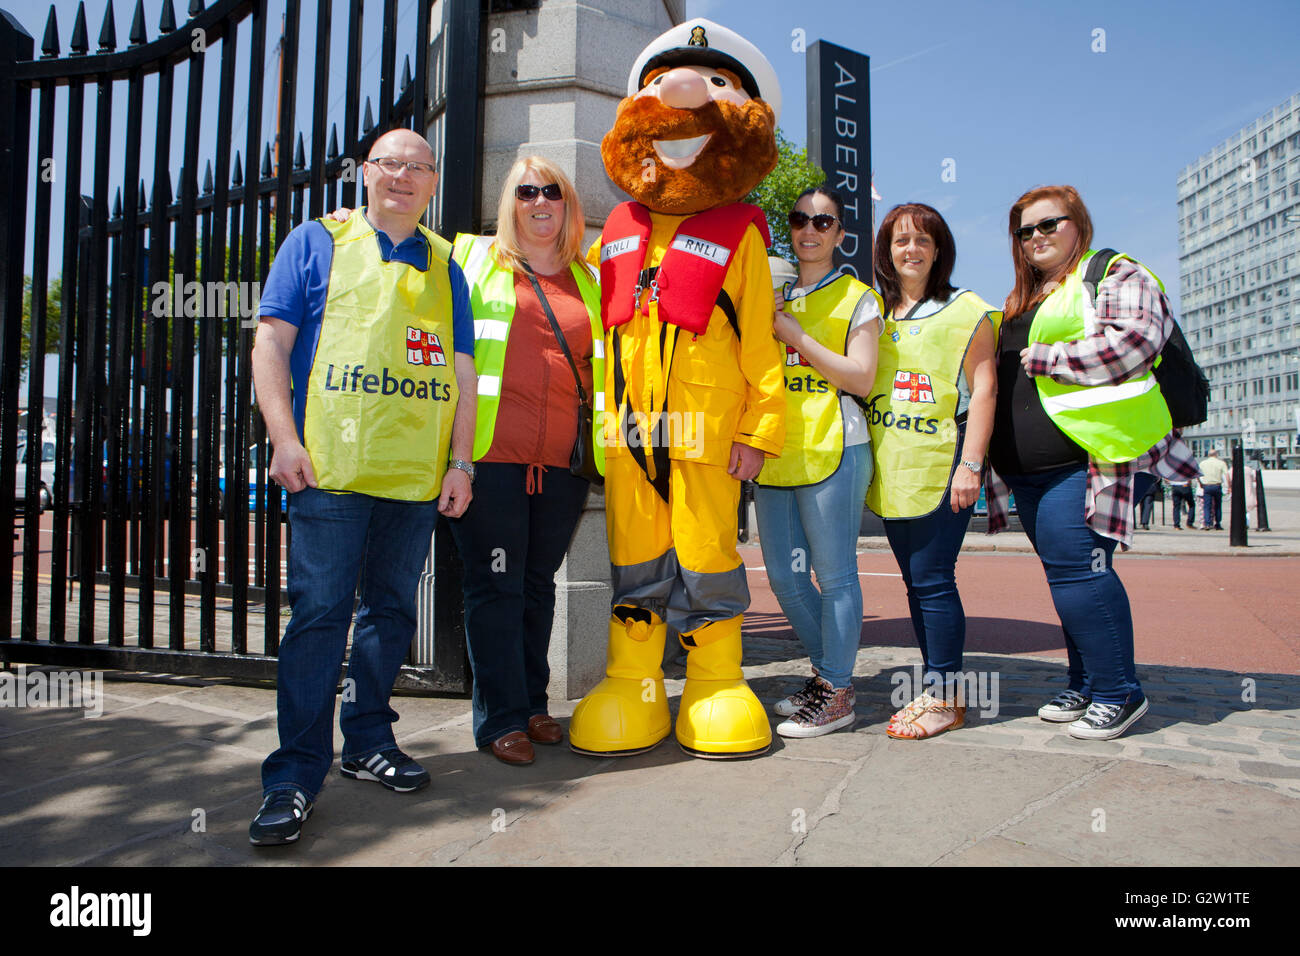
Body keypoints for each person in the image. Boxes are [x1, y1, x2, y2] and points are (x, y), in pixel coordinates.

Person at [248, 128, 477, 845]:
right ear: (366, 174)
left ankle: (370, 742)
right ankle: (292, 777)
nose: (402, 177)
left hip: (411, 479)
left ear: (432, 182)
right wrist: (283, 437)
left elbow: (464, 375)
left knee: (388, 613)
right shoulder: (315, 243)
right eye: (389, 165)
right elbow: (271, 343)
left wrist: (461, 462)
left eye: (417, 167)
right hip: (330, 473)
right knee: (319, 617)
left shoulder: (448, 267)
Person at [566, 19, 787, 759]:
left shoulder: (741, 234)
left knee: (706, 555)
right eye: (662, 85)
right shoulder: (617, 230)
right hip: (631, 436)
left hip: (708, 435)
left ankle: (714, 677)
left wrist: (759, 431)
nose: (684, 96)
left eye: (715, 84)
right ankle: (632, 677)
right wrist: (602, 423)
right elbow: (601, 339)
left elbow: (760, 340)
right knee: (635, 557)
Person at [986, 184, 1199, 741]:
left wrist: (1047, 358)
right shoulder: (1025, 298)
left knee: (1082, 573)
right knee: (1066, 577)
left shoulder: (1115, 273)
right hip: (1030, 473)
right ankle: (1086, 680)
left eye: (1048, 224)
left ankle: (1119, 691)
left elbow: (1136, 341)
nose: (1035, 237)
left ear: (1078, 223)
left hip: (1090, 458)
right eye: (1024, 231)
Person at [446, 157, 604, 765]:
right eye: (527, 191)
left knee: (538, 587)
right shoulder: (471, 259)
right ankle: (499, 719)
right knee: (495, 587)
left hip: (562, 466)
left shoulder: (588, 279)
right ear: (510, 203)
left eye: (553, 192)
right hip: (489, 459)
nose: (541, 202)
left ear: (568, 205)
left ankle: (534, 705)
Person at [864, 203, 1000, 740]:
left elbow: (984, 389)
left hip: (944, 465)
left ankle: (946, 695)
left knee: (934, 581)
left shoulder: (967, 310)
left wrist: (971, 465)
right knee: (917, 585)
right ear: (886, 251)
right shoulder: (879, 312)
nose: (911, 250)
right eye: (900, 241)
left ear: (939, 249)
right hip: (894, 469)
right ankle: (936, 687)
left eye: (923, 240)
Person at [754, 187, 882, 738]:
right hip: (776, 446)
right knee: (783, 577)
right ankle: (831, 676)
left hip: (837, 443)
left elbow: (861, 377)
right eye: (800, 219)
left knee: (834, 576)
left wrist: (796, 336)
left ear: (840, 234)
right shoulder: (770, 293)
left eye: (823, 221)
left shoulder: (859, 298)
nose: (810, 229)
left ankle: (835, 690)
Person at [1198, 447, 1229, 529]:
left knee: (1207, 506)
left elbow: (1197, 474)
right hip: (1217, 485)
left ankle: (1207, 523)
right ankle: (1218, 523)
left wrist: (1200, 483)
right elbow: (1226, 475)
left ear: (1208, 455)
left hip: (1207, 486)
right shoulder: (1221, 463)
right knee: (1218, 506)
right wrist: (1229, 486)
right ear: (1216, 454)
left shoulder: (1202, 463)